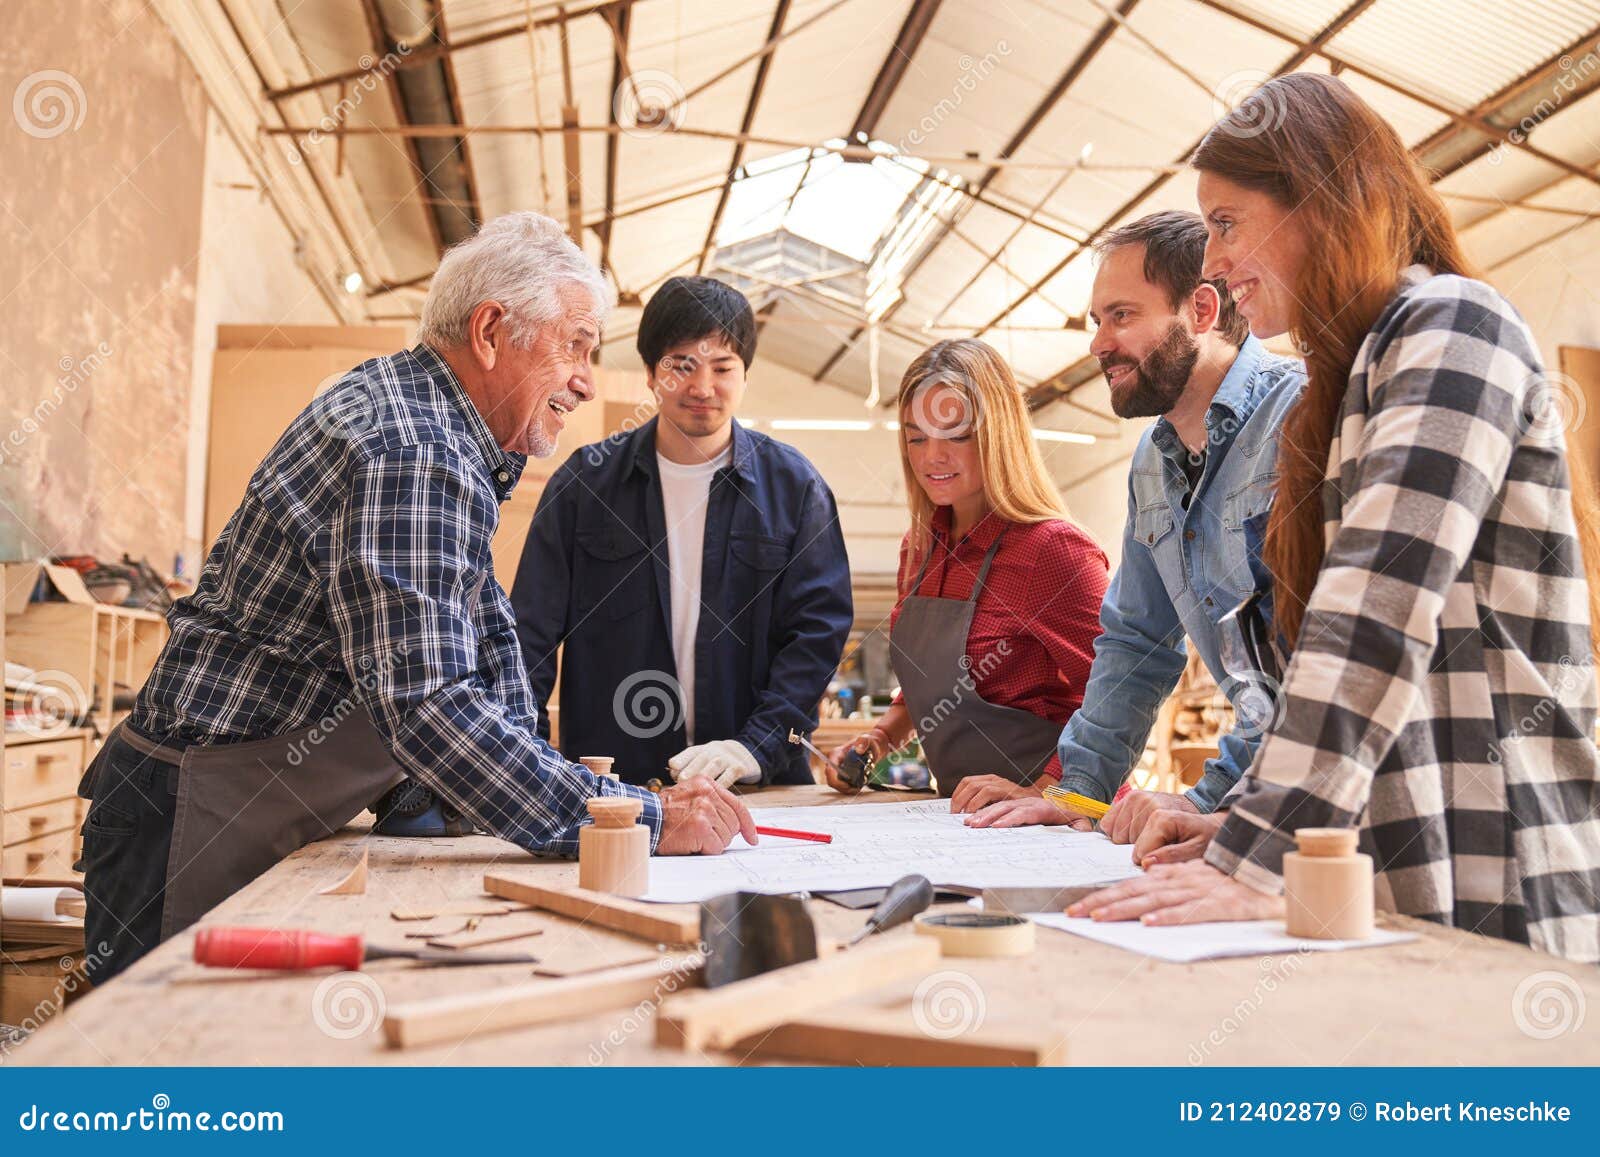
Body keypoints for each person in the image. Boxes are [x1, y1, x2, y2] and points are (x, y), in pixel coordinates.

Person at [78, 214, 756, 985]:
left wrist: (580, 793)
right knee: (155, 1044)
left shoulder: (438, 430)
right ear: (491, 332)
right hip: (191, 813)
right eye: (575, 345)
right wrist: (636, 817)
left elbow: (482, 640)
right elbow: (427, 701)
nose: (586, 381)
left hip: (236, 795)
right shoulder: (415, 449)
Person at [1068, 74, 1600, 963]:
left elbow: (1373, 610)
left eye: (1227, 224)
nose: (1213, 262)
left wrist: (1263, 848)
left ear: (1320, 200)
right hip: (1392, 881)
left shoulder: (1451, 326)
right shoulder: (1346, 383)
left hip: (1500, 884)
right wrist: (1238, 821)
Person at [963, 211, 1304, 836]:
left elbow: (1306, 668)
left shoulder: (1301, 419)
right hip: (1268, 802)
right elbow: (1136, 641)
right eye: (1097, 320)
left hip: (1343, 800)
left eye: (1121, 315)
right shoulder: (1154, 460)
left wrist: (1207, 801)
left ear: (1201, 310)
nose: (1098, 344)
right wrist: (1078, 792)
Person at [512, 276, 852, 787]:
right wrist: (528, 764)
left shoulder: (794, 487)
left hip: (759, 788)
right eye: (681, 365)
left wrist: (755, 746)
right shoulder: (586, 484)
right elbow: (527, 637)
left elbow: (817, 634)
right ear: (651, 373)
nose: (702, 388)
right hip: (618, 791)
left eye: (723, 368)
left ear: (745, 375)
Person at [825, 339, 1107, 798]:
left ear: (998, 435)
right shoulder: (919, 550)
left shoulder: (1052, 550)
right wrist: (879, 740)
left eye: (956, 435)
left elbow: (1121, 692)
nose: (931, 457)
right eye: (916, 437)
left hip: (1060, 818)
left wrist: (1046, 792)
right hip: (963, 819)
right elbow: (937, 687)